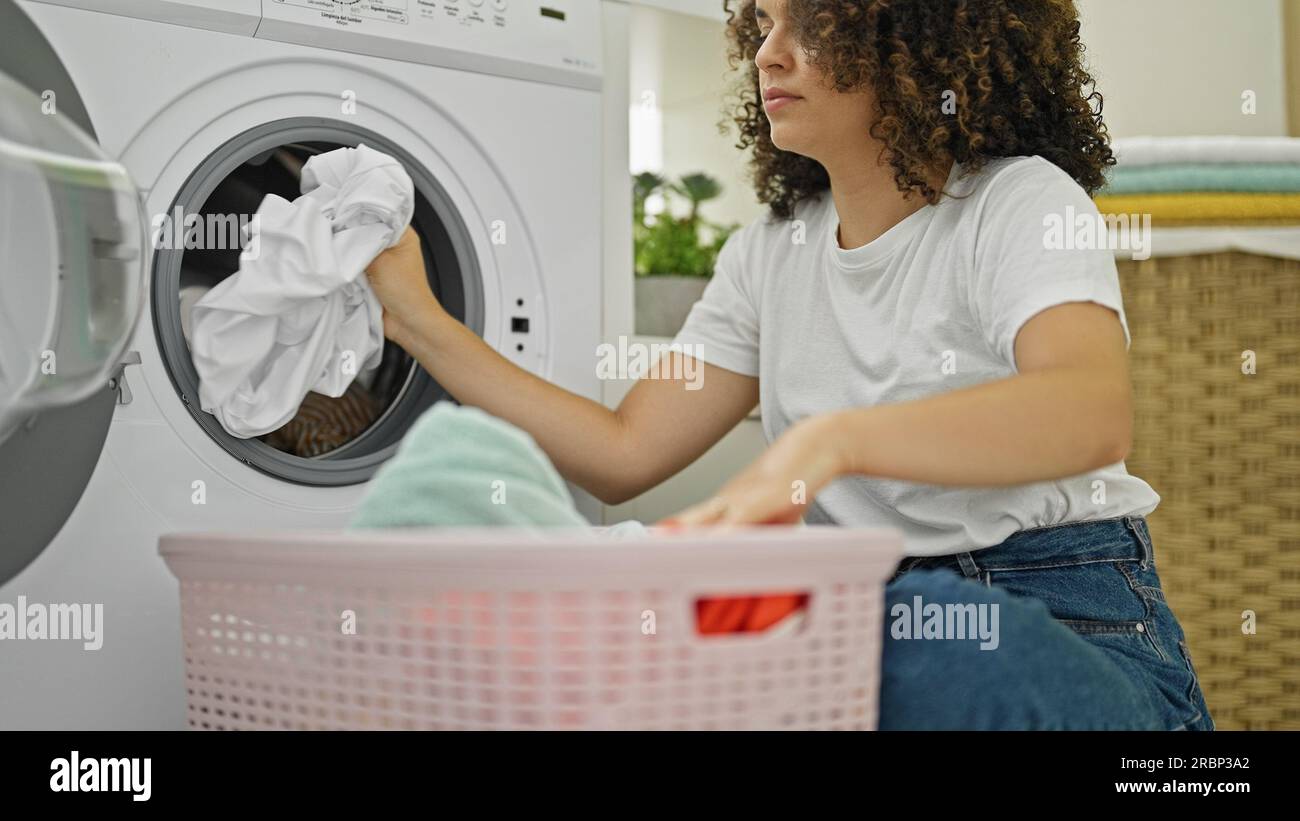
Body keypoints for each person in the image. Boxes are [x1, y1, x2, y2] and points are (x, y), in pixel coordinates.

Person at [365, 0, 1212, 729]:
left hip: (1074, 622)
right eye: (765, 22)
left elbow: (1085, 410)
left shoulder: (1019, 202)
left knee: (940, 637)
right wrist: (420, 320)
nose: (770, 51)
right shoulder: (772, 253)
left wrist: (836, 444)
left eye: (813, 22)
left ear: (917, 37)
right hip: (862, 624)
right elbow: (622, 451)